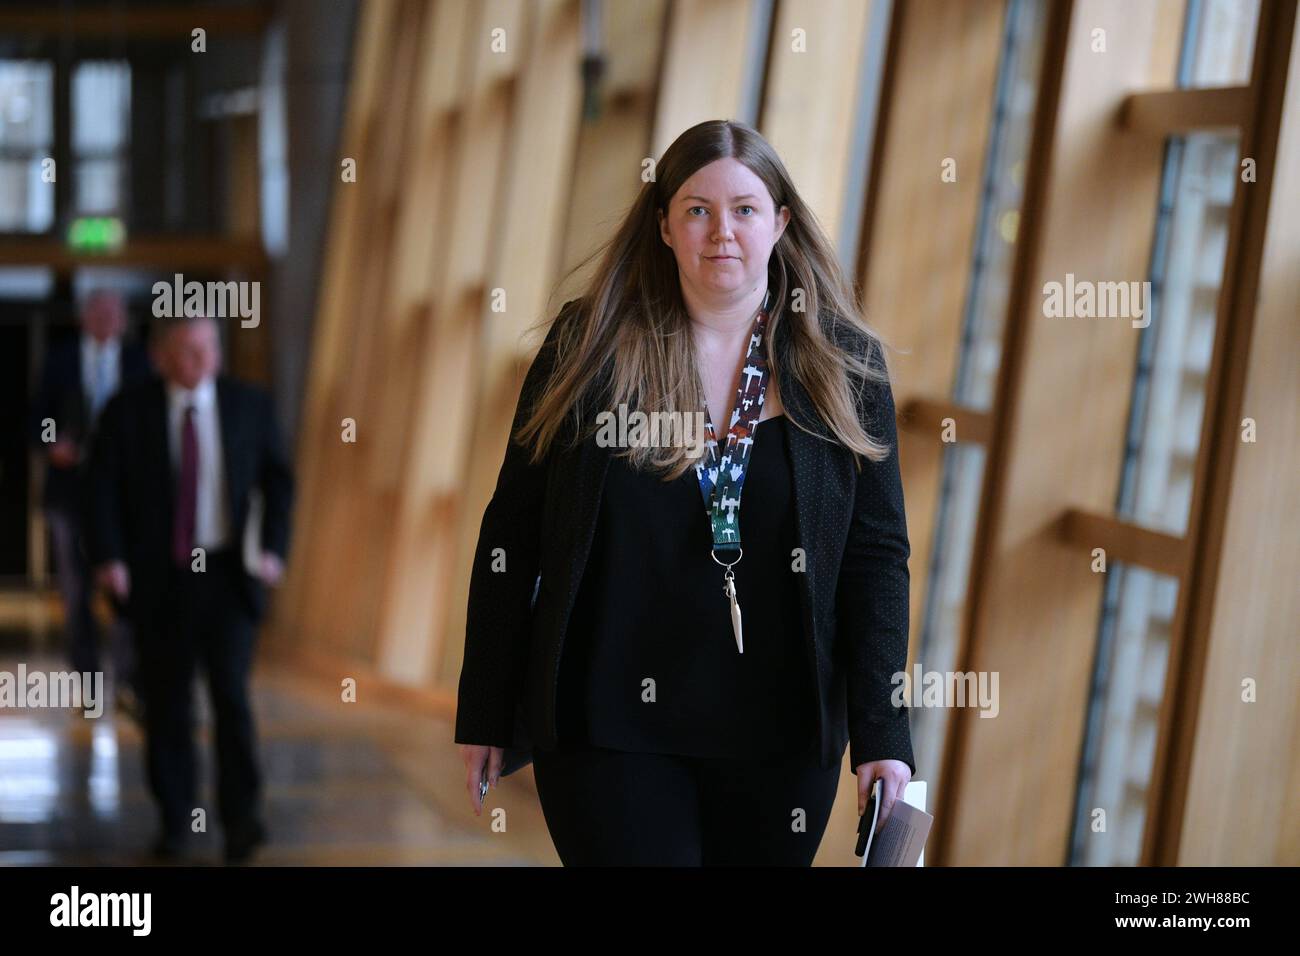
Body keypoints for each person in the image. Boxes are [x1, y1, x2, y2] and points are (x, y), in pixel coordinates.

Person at [455, 119, 915, 866]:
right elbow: (513, 531)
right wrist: (485, 707)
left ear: (780, 223)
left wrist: (884, 734)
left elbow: (875, 558)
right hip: (608, 724)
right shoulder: (592, 346)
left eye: (744, 209)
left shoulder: (844, 365)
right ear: (664, 225)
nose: (721, 232)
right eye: (697, 209)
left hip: (780, 735)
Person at [86, 312, 294, 864]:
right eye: (186, 349)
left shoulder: (249, 405)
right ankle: (176, 821)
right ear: (159, 356)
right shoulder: (126, 412)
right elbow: (100, 488)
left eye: (208, 347)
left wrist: (272, 550)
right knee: (168, 704)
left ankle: (242, 821)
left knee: (231, 697)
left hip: (228, 577)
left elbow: (279, 478)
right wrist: (110, 557)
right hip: (159, 580)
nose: (201, 359)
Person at [29, 289, 152, 693]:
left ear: (122, 318)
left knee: (124, 582)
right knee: (76, 586)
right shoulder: (60, 359)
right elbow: (38, 418)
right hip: (70, 490)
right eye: (98, 312)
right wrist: (52, 444)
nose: (106, 319)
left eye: (112, 312)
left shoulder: (139, 360)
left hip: (125, 493)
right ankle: (87, 678)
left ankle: (129, 674)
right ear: (85, 318)